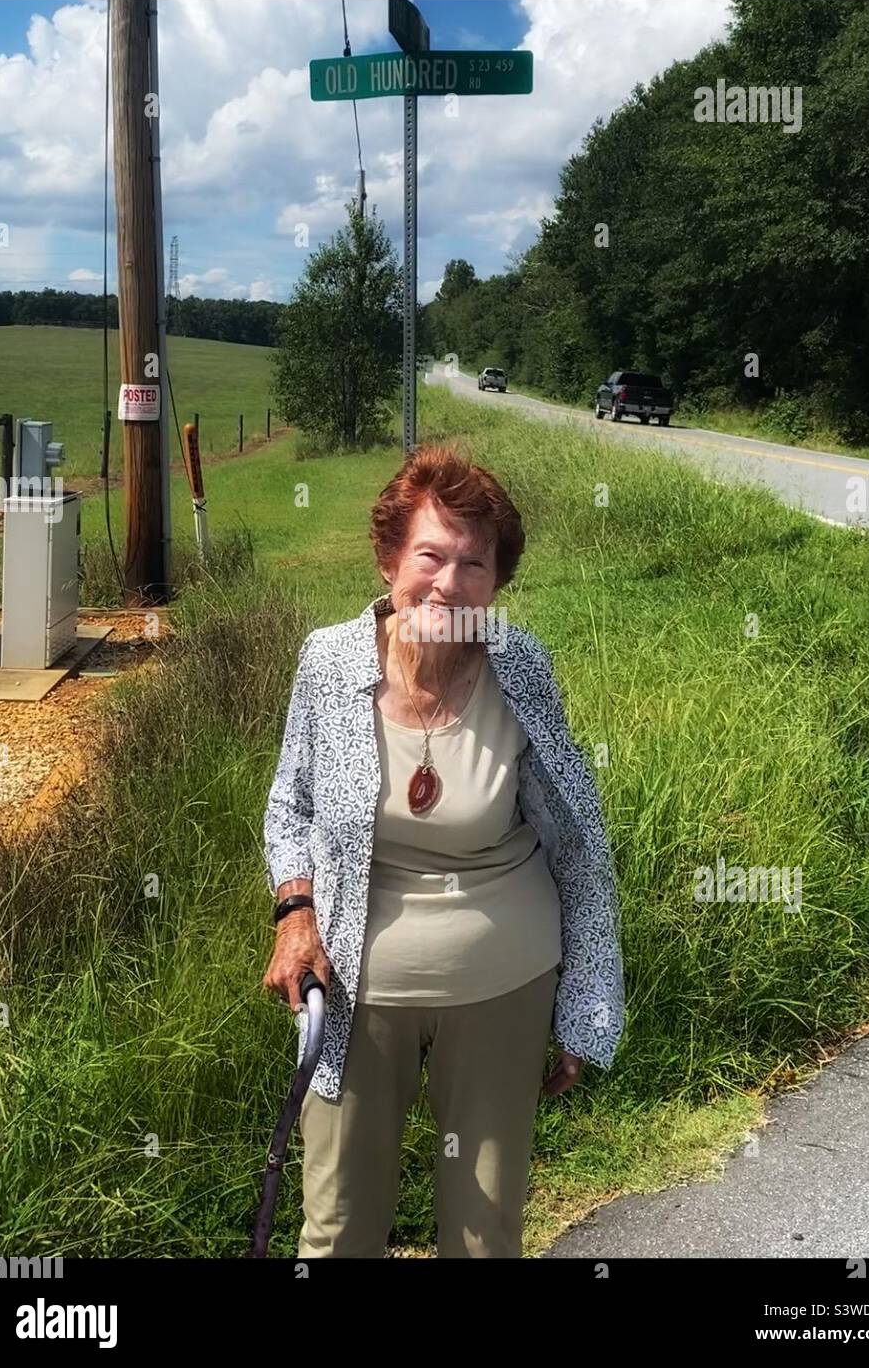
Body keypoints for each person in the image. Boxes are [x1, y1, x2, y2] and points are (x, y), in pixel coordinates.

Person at [262, 442, 624, 1257]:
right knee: (340, 1224)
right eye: (430, 554)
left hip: (504, 977)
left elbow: (578, 840)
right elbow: (291, 803)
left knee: (484, 1228)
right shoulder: (329, 661)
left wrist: (588, 997)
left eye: (475, 563)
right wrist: (295, 912)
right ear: (390, 557)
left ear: (497, 583)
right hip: (355, 985)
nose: (449, 583)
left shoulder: (523, 667)